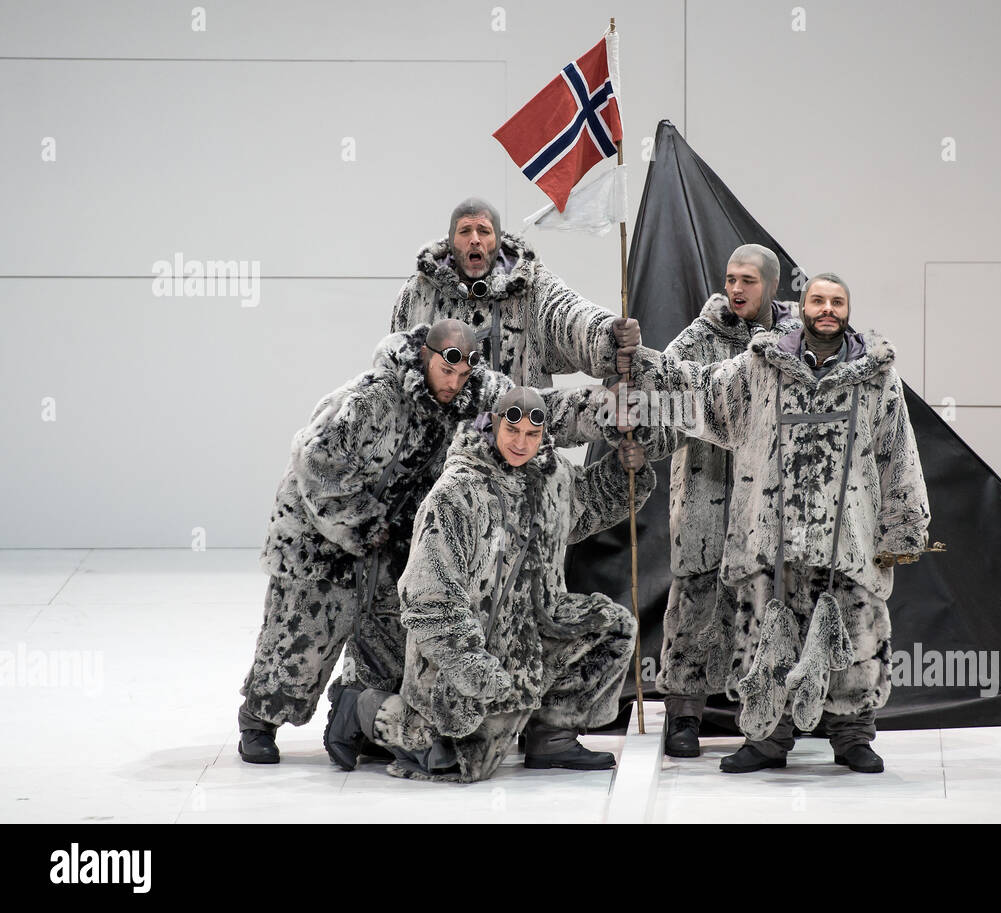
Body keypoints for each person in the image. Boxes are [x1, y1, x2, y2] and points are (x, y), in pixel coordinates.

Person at [238, 320, 615, 764]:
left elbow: (540, 410)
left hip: (394, 543)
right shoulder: (373, 396)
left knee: (387, 643)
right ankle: (258, 721)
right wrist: (363, 525)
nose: (453, 383)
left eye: (463, 374)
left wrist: (608, 410)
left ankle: (357, 718)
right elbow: (313, 458)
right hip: (321, 538)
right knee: (300, 638)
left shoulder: (479, 397)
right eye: (445, 370)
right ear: (426, 356)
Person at [617, 274, 930, 773]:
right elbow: (703, 393)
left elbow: (899, 452)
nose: (827, 309)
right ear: (801, 307)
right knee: (766, 637)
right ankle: (766, 738)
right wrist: (646, 365)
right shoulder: (759, 367)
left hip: (848, 537)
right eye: (818, 300)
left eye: (837, 301)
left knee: (855, 639)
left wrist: (904, 524)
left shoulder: (876, 377)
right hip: (769, 538)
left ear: (848, 310)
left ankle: (852, 737)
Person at [325, 388, 657, 783]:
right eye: (512, 430)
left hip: (535, 635)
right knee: (464, 763)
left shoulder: (551, 476)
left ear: (544, 436)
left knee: (612, 627)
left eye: (532, 435)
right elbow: (427, 599)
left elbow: (587, 505)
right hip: (465, 653)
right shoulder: (456, 492)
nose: (521, 443)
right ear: (494, 424)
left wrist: (623, 471)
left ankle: (552, 736)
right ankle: (359, 707)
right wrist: (473, 668)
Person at [654, 245, 800, 758]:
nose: (737, 289)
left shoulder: (792, 342)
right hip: (703, 489)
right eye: (731, 279)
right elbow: (662, 391)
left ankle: (764, 721)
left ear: (772, 287)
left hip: (765, 499)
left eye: (749, 281)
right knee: (695, 599)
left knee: (764, 604)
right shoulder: (698, 338)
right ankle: (684, 715)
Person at [391, 197, 640, 386]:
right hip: (440, 451)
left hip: (518, 444)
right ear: (450, 240)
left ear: (499, 240)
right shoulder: (418, 293)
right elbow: (396, 369)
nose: (474, 239)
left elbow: (567, 313)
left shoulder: (531, 286)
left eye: (484, 231)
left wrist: (607, 334)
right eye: (465, 231)